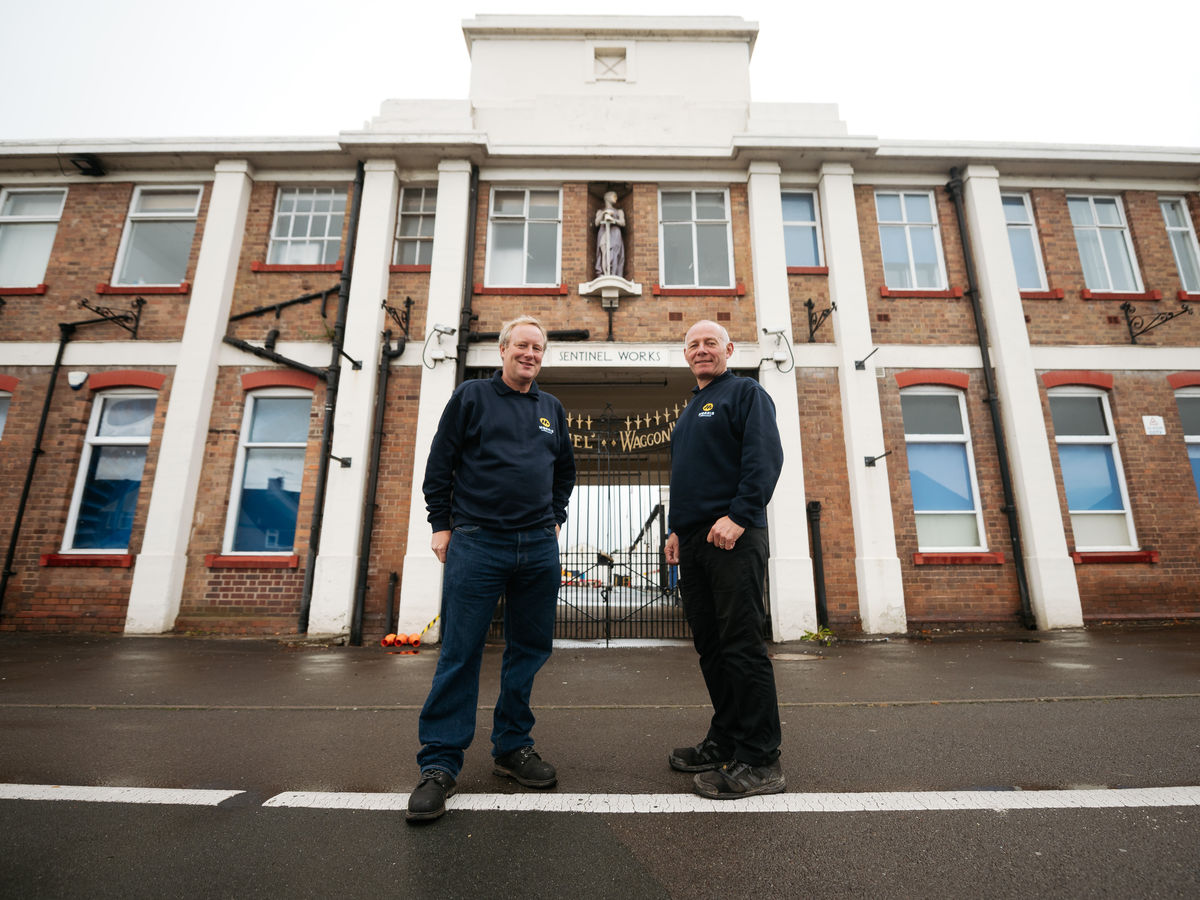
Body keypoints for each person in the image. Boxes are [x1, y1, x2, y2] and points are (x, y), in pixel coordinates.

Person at [406, 315, 577, 823]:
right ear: (502, 350)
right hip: (478, 541)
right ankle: (439, 763)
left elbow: (565, 471)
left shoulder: (551, 409)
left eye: (538, 348)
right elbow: (440, 463)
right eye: (522, 345)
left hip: (537, 546)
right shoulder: (471, 398)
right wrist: (441, 524)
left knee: (529, 650)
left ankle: (512, 747)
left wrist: (555, 517)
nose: (530, 354)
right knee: (461, 651)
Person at [664, 319, 786, 799]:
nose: (701, 350)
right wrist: (676, 529)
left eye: (710, 342)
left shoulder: (746, 394)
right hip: (695, 542)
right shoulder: (690, 408)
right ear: (686, 355)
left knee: (741, 646)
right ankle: (728, 739)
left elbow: (764, 457)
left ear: (729, 349)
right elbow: (687, 477)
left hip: (733, 536)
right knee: (712, 647)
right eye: (693, 344)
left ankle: (760, 759)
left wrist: (739, 515)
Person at [594, 190, 625, 278]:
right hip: (604, 232)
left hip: (615, 233)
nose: (616, 198)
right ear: (607, 198)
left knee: (615, 252)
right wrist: (604, 213)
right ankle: (603, 273)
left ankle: (614, 273)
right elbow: (596, 223)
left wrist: (613, 220)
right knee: (603, 252)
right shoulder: (600, 211)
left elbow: (623, 223)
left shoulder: (619, 211)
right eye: (614, 196)